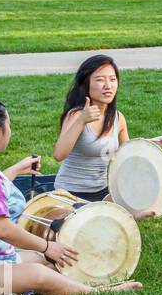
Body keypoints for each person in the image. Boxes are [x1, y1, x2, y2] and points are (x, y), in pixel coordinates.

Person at [0, 98, 141, 295]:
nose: (9, 130)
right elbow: (3, 229)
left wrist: (17, 169)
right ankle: (96, 292)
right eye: (8, 124)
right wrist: (48, 246)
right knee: (39, 274)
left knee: (47, 261)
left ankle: (70, 281)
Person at [53, 55, 130, 203]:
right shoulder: (76, 115)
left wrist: (157, 142)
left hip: (102, 191)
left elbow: (129, 153)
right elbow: (58, 154)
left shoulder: (118, 118)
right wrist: (81, 121)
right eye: (100, 80)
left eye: (112, 79)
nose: (108, 86)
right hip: (70, 193)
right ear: (86, 84)